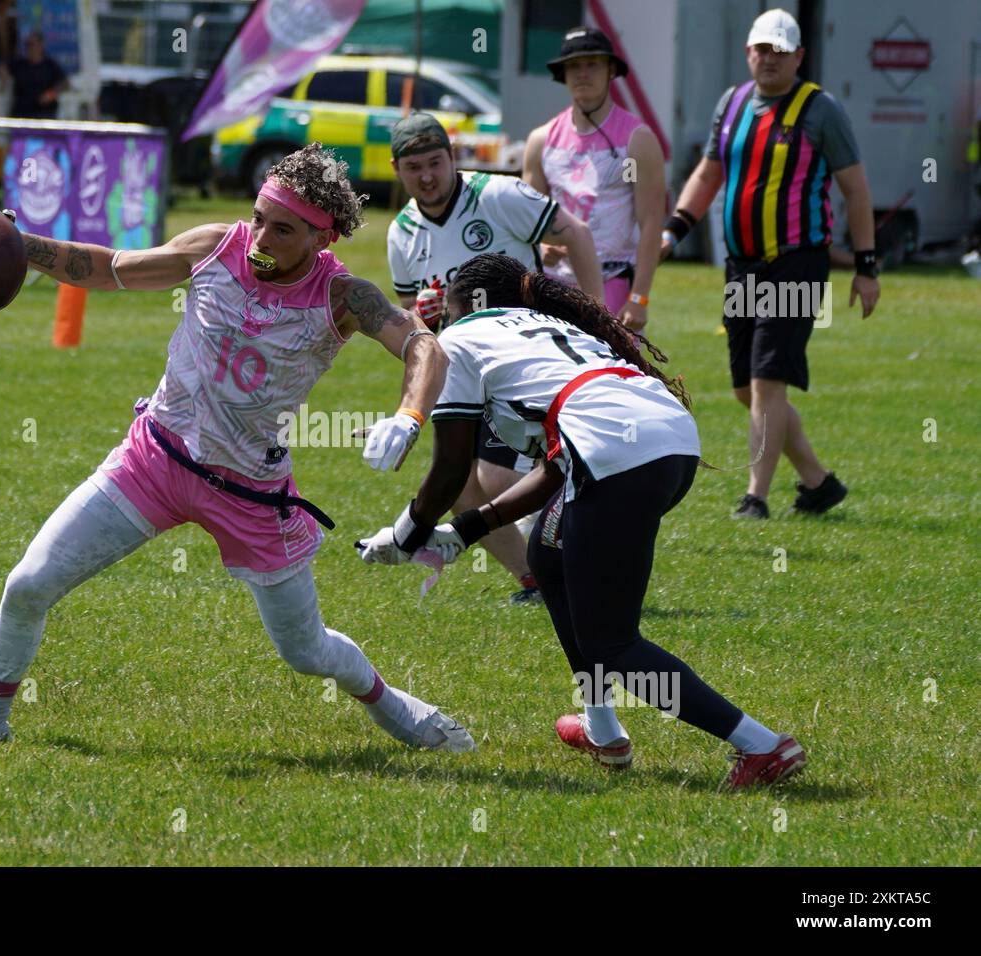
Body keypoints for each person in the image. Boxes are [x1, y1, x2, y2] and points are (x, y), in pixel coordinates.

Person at [0, 144, 474, 754]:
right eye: (258, 218)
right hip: (156, 460)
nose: (260, 238)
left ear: (321, 238)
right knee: (28, 584)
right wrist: (18, 243)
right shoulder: (216, 246)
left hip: (250, 493)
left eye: (283, 230)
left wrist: (409, 417)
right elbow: (111, 268)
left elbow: (423, 346)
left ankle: (395, 707)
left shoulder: (341, 295)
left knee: (307, 652)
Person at [358, 252, 808, 790]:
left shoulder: (458, 340)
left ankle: (762, 745)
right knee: (548, 558)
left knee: (612, 646)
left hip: (617, 456)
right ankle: (603, 730)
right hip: (670, 442)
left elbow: (452, 468)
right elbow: (558, 466)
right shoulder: (551, 326)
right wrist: (462, 533)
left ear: (460, 306)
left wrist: (406, 535)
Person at [662, 8, 880, 519]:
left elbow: (855, 189)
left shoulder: (821, 109)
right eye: (762, 49)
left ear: (799, 56)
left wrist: (866, 266)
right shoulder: (733, 103)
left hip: (796, 262)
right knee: (747, 388)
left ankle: (755, 496)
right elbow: (708, 173)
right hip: (743, 265)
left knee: (767, 380)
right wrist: (675, 229)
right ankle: (818, 483)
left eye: (781, 51)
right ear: (748, 53)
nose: (770, 59)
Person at [387, 112, 603, 605]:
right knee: (460, 483)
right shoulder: (401, 232)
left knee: (498, 477)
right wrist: (423, 314)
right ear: (397, 170)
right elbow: (411, 323)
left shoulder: (498, 195)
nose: (427, 176)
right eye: (414, 167)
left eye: (435, 162)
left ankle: (581, 559)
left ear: (452, 157)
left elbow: (576, 234)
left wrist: (596, 319)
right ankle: (538, 579)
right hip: (467, 372)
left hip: (529, 360)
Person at [523, 26, 665, 332]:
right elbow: (528, 221)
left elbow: (652, 222)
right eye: (574, 65)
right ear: (563, 73)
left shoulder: (637, 139)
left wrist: (639, 297)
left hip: (613, 282)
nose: (583, 73)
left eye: (593, 64)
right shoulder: (540, 140)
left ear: (611, 70)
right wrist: (541, 246)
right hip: (553, 285)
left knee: (609, 365)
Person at [0, 30, 68, 120]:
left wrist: (51, 94)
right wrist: (4, 79)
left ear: (41, 45)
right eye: (27, 45)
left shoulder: (50, 65)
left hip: (44, 114)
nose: (29, 48)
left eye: (32, 45)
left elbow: (64, 83)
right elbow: (0, 66)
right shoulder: (19, 64)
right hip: (21, 113)